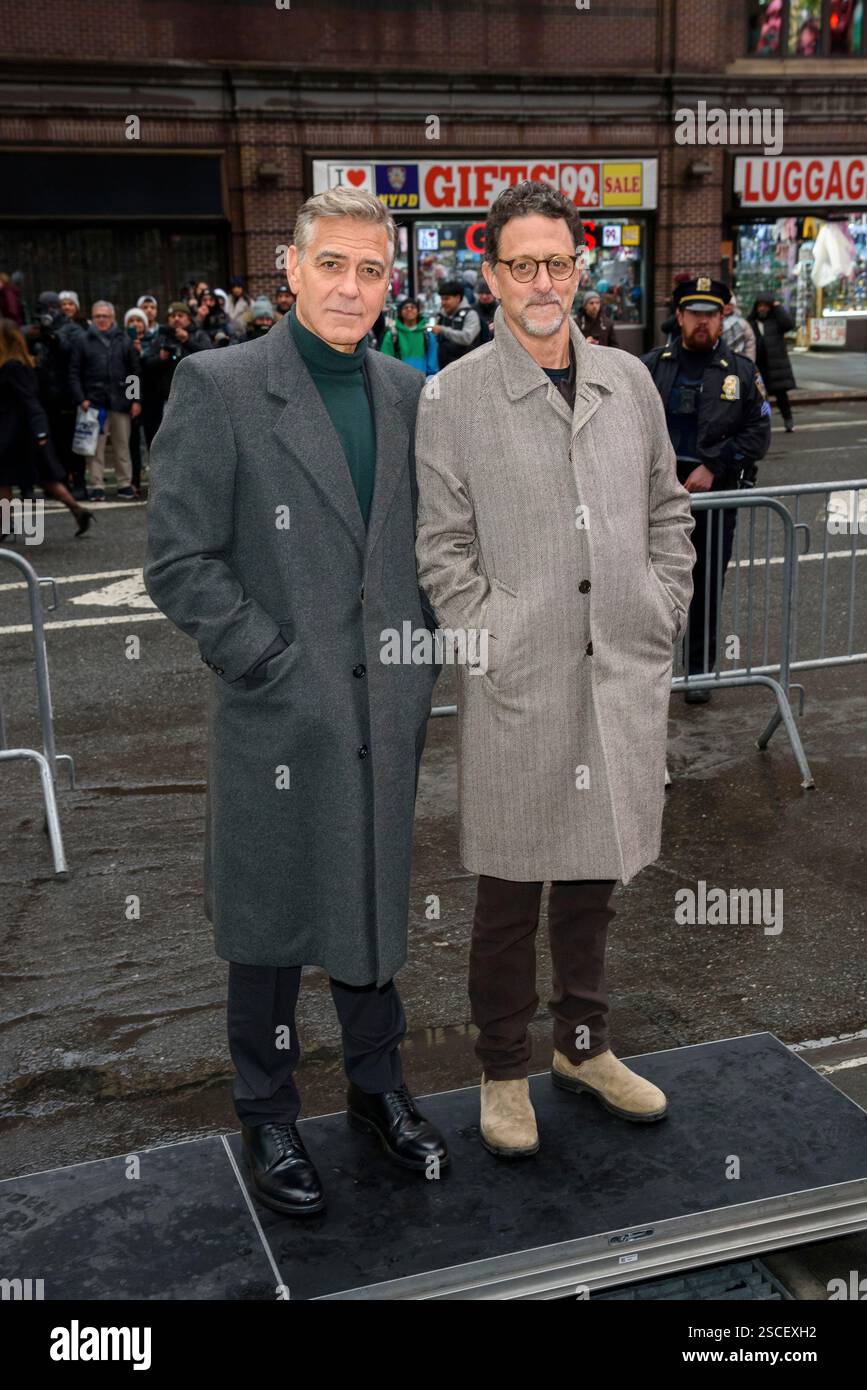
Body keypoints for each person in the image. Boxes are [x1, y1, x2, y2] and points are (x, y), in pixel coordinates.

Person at [144, 185, 448, 1218]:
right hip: (278, 711)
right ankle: (268, 1107)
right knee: (270, 926)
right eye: (333, 265)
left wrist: (425, 656)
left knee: (370, 907)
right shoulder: (220, 385)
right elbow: (180, 560)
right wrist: (269, 660)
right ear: (292, 267)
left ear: (389, 283)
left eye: (371, 270)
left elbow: (429, 554)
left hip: (383, 714)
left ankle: (378, 1090)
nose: (351, 287)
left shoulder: (411, 393)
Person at [415, 179, 696, 1159]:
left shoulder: (631, 381)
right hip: (518, 686)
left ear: (582, 269)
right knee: (506, 898)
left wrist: (661, 614)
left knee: (593, 879)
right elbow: (442, 554)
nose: (542, 280)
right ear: (490, 274)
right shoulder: (451, 399)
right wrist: (490, 642)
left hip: (616, 671)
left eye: (558, 262)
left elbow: (668, 515)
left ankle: (582, 1046)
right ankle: (502, 1069)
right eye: (521, 263)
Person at [642, 277, 771, 699]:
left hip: (712, 500)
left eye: (711, 315)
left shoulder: (740, 371)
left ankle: (697, 674)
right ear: (679, 317)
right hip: (653, 500)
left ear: (722, 318)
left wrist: (713, 467)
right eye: (695, 314)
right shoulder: (649, 366)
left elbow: (758, 433)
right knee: (644, 586)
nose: (703, 322)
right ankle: (645, 672)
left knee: (703, 585)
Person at [0, 319, 93, 540]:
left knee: (3, 480)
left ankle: (4, 525)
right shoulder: (25, 365)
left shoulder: (12, 367)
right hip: (26, 432)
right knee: (46, 478)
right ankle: (78, 511)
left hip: (15, 433)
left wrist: (40, 429)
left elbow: (30, 401)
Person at [69, 300, 141, 501]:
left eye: (105, 316)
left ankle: (124, 484)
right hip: (93, 403)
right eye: (98, 316)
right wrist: (81, 399)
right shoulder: (83, 341)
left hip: (120, 403)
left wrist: (135, 400)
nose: (102, 319)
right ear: (93, 317)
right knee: (94, 449)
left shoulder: (124, 340)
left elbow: (134, 372)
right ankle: (97, 485)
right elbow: (74, 373)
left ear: (113, 318)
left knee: (122, 446)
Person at [27, 291, 86, 496]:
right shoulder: (37, 327)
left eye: (51, 306)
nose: (48, 311)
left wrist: (52, 335)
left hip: (67, 395)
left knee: (72, 443)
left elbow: (71, 349)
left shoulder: (71, 328)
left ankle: (78, 482)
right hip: (44, 396)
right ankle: (60, 483)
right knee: (52, 444)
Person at [140, 301, 211, 447]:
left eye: (180, 315)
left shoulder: (198, 334)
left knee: (194, 439)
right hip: (167, 399)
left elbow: (210, 356)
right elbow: (146, 365)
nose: (176, 319)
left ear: (189, 318)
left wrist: (187, 341)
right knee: (169, 440)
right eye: (172, 316)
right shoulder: (162, 337)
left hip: (194, 397)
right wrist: (160, 358)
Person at [748, 292, 796, 431]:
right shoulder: (751, 323)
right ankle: (764, 423)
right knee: (761, 397)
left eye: (766, 306)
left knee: (781, 395)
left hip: (775, 364)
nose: (762, 309)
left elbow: (789, 324)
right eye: (760, 306)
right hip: (759, 365)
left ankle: (788, 420)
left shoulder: (776, 321)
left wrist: (778, 306)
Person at [380, 297, 439, 376]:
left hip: (424, 383)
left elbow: (433, 364)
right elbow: (385, 362)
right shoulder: (392, 335)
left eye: (413, 307)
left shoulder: (428, 335)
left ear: (418, 311)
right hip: (399, 382)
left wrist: (431, 380)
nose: (409, 309)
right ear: (400, 312)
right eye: (405, 307)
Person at [431, 279, 482, 368]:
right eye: (442, 299)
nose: (443, 303)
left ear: (458, 298)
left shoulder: (470, 314)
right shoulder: (441, 314)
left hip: (466, 367)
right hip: (442, 367)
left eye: (446, 299)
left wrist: (442, 330)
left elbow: (467, 338)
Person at [721, 293, 756, 362]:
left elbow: (750, 343)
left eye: (730, 305)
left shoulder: (742, 322)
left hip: (740, 360)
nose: (727, 307)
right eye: (725, 304)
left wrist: (749, 361)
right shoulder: (715, 321)